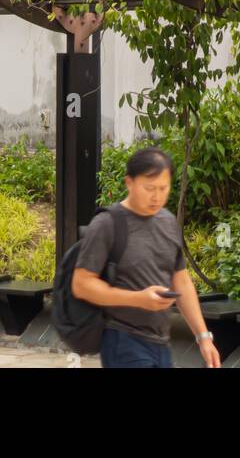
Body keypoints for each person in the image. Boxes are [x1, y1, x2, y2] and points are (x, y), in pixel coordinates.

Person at [72, 147, 221, 369]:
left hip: (161, 342)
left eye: (163, 188)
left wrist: (203, 337)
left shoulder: (168, 222)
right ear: (129, 183)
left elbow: (180, 281)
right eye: (149, 188)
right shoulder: (107, 224)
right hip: (122, 340)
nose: (157, 196)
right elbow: (81, 284)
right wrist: (138, 299)